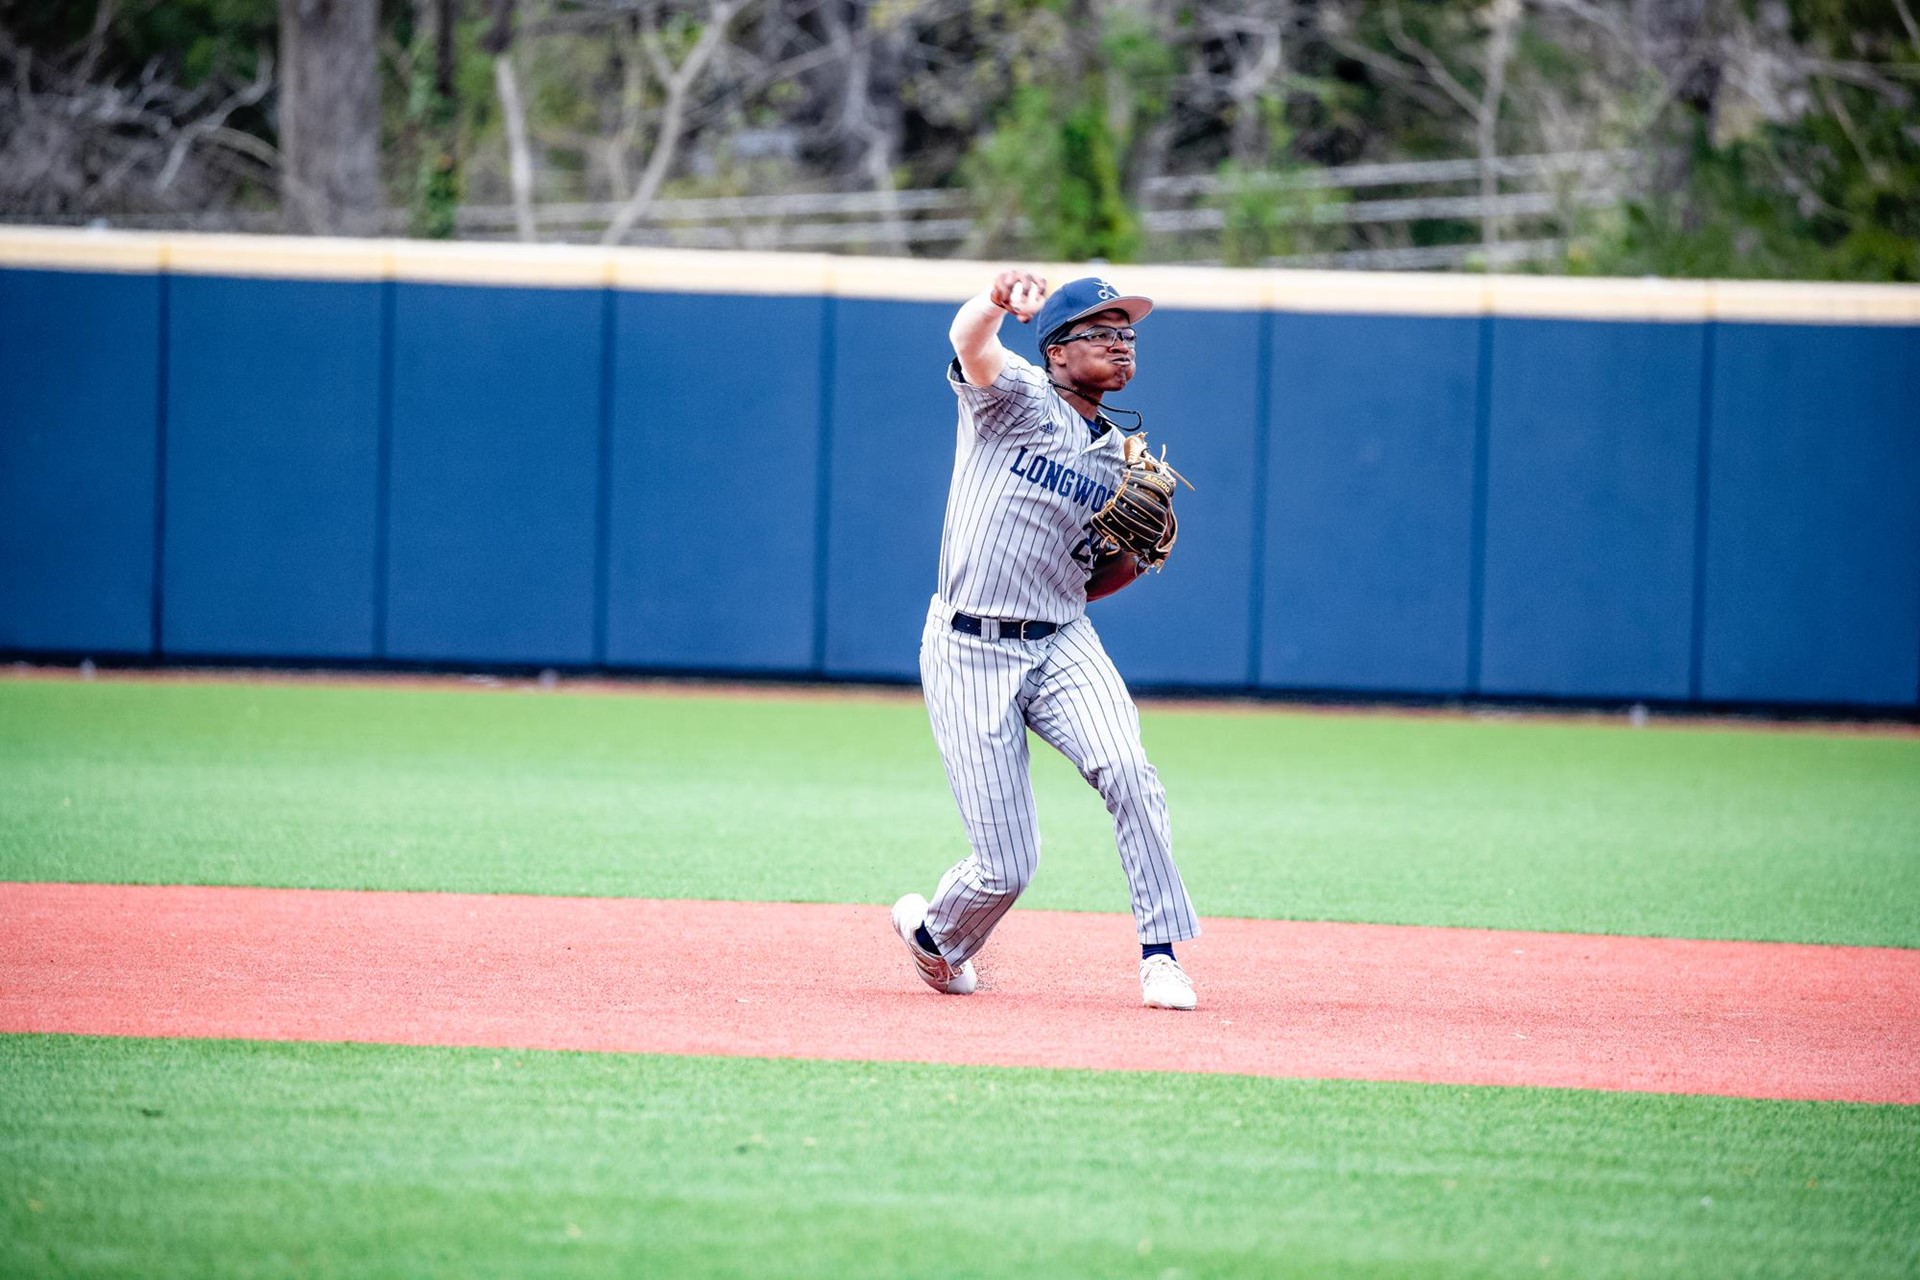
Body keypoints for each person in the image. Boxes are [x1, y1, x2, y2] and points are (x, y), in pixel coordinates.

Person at [889, 269, 1202, 1011]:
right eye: (1102, 333)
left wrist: (1132, 559)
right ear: (1058, 351)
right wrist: (994, 303)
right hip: (968, 648)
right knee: (1006, 867)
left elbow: (1095, 576)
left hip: (1062, 639)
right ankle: (936, 939)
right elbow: (967, 341)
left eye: (1128, 335)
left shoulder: (1121, 458)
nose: (1122, 346)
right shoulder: (1016, 398)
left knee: (1129, 769)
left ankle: (1162, 954)